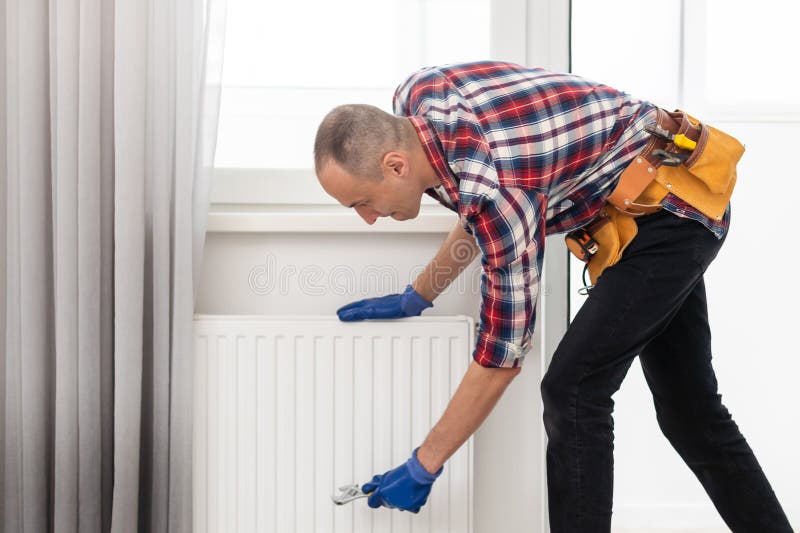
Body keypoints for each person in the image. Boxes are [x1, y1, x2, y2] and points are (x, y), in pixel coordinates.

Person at [313, 61, 794, 532]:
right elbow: (474, 197)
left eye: (362, 203)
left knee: (574, 389)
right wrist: (418, 295)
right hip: (648, 197)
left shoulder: (502, 188)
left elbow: (500, 357)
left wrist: (424, 463)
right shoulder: (418, 97)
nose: (368, 218)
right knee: (691, 413)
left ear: (395, 166)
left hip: (672, 210)